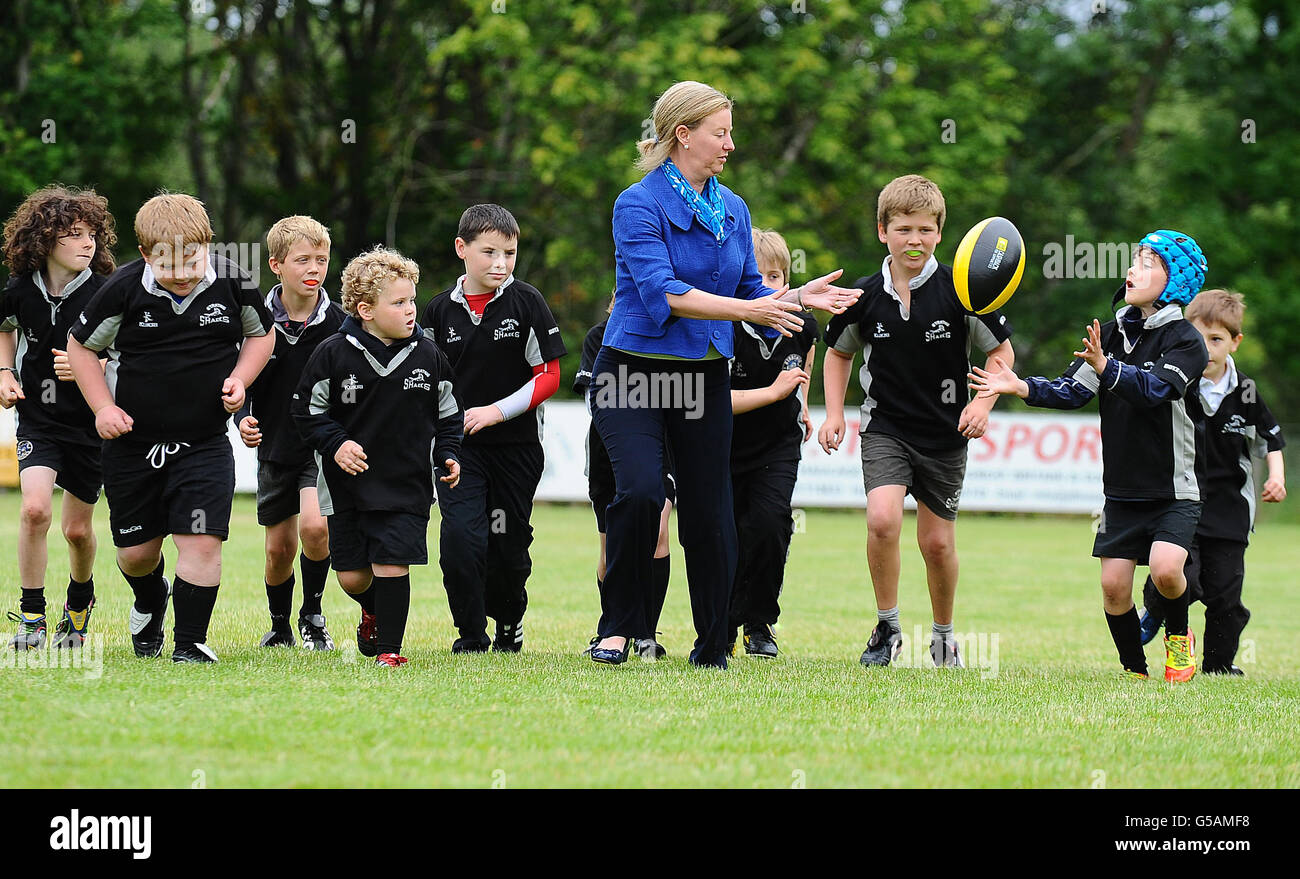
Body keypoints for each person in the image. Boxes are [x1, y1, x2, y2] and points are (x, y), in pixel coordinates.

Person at [590, 80, 860, 668]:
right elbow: (665, 291)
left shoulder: (733, 209)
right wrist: (750, 309)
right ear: (682, 135)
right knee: (637, 495)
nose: (730, 145)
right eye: (721, 133)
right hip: (632, 372)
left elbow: (745, 289)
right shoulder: (636, 204)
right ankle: (617, 628)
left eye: (731, 133)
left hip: (701, 376)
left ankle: (713, 645)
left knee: (710, 512)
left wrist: (795, 299)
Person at [970, 230, 1209, 681]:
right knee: (1114, 588)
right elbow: (1071, 389)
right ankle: (1135, 671)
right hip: (1121, 490)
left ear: (1175, 278)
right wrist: (1018, 385)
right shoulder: (1112, 332)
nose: (1133, 269)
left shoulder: (1186, 342)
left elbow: (1156, 390)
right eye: (1134, 260)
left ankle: (1179, 638)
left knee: (1165, 570)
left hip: (1174, 489)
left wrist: (1107, 367)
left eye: (1147, 262)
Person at [67, 192, 274, 663]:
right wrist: (102, 408)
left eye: (192, 261)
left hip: (203, 443)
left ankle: (190, 643)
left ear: (208, 245)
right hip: (131, 445)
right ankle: (149, 598)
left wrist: (240, 380)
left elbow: (262, 334)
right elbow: (79, 348)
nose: (181, 274)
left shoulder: (233, 282)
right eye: (168, 265)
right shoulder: (121, 289)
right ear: (145, 255)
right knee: (136, 554)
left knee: (200, 540)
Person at [820, 174, 1014, 669]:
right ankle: (887, 628)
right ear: (882, 231)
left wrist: (983, 403)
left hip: (947, 436)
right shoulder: (862, 297)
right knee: (882, 519)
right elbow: (838, 355)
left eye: (926, 230)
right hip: (885, 427)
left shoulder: (965, 291)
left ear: (940, 234)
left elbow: (1002, 353)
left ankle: (944, 637)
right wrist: (837, 412)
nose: (915, 240)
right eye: (904, 229)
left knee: (936, 542)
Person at [292, 246, 463, 667]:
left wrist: (448, 453)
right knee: (351, 575)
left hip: (406, 486)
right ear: (366, 309)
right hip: (346, 487)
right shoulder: (333, 353)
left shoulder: (429, 355)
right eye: (399, 302)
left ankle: (390, 650)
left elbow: (449, 415)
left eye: (412, 301)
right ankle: (372, 610)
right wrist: (336, 444)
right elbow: (305, 412)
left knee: (392, 563)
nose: (411, 311)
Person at [420, 204, 566, 654]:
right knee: (461, 538)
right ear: (461, 249)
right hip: (457, 449)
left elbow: (549, 375)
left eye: (509, 253)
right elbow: (424, 379)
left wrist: (495, 412)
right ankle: (470, 634)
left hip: (516, 447)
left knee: (508, 543)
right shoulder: (436, 311)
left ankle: (508, 619)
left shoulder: (528, 302)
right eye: (489, 252)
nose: (500, 264)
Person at [1136, 289, 1286, 674]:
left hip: (1230, 513)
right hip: (1181, 504)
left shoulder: (1246, 390)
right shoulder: (1177, 383)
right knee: (1186, 579)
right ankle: (1156, 607)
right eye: (1197, 337)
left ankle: (1219, 665)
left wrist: (1277, 477)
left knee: (1225, 596)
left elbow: (1271, 439)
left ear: (1235, 342)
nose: (1206, 348)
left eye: (1216, 339)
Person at [1, 186, 117, 650]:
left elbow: (131, 347)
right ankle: (31, 617)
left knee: (76, 530)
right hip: (38, 420)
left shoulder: (106, 290)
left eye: (91, 234)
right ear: (45, 240)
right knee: (33, 510)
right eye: (73, 235)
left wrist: (97, 365)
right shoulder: (19, 290)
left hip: (88, 424)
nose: (87, 243)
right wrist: (5, 371)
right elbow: (4, 330)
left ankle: (79, 603)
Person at [237, 215, 345, 650]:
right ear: (277, 264)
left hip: (320, 448)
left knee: (316, 530)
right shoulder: (254, 321)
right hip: (274, 447)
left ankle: (312, 614)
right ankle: (279, 624)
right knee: (278, 550)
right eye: (303, 260)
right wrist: (241, 416)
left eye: (321, 259)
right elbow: (237, 380)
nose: (314, 268)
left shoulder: (340, 323)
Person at [727, 227, 818, 658]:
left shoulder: (804, 325)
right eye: (758, 277)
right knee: (721, 533)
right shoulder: (722, 327)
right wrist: (772, 392)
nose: (770, 286)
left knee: (768, 524)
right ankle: (720, 621)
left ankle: (759, 622)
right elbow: (713, 403)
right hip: (722, 445)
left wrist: (802, 403)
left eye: (778, 277)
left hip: (778, 444)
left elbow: (805, 367)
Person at [573, 295, 675, 660]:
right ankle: (612, 626)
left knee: (658, 533)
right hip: (607, 456)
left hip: (659, 453)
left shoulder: (669, 340)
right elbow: (592, 398)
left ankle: (645, 632)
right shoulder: (599, 337)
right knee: (610, 546)